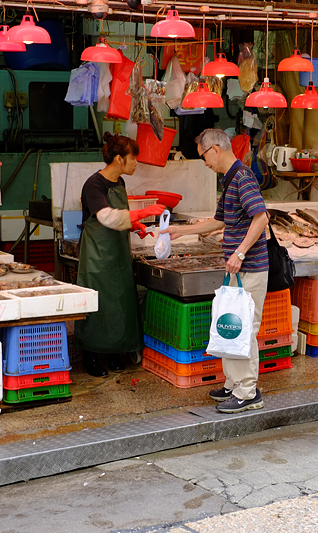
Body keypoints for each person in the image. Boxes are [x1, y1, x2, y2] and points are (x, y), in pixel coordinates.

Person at [162, 128, 269, 414]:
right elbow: (218, 221)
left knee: (243, 327)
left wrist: (240, 252)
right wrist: (179, 231)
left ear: (216, 149)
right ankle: (234, 384)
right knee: (230, 325)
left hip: (249, 267)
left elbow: (261, 217)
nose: (204, 163)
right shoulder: (229, 178)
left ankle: (248, 392)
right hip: (237, 268)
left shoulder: (242, 177)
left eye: (203, 157)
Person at [75, 133, 165, 377]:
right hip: (97, 255)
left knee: (119, 302)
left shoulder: (120, 182)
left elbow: (120, 217)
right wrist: (143, 212)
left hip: (118, 253)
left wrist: (136, 225)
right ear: (118, 159)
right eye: (133, 158)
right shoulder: (94, 185)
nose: (136, 163)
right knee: (97, 304)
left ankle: (115, 353)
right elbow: (107, 217)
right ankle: (91, 357)